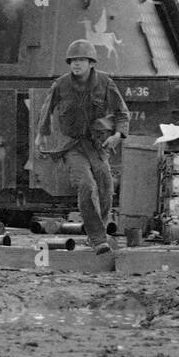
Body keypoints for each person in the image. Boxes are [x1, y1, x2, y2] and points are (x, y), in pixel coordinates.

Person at [35, 39, 130, 255]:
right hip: (72, 146)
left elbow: (122, 112)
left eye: (81, 60)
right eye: (73, 61)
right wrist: (41, 135)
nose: (76, 64)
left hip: (98, 145)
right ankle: (97, 238)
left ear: (90, 62)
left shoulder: (105, 83)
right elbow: (46, 108)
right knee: (87, 185)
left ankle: (100, 231)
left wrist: (117, 134)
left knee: (106, 186)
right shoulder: (61, 84)